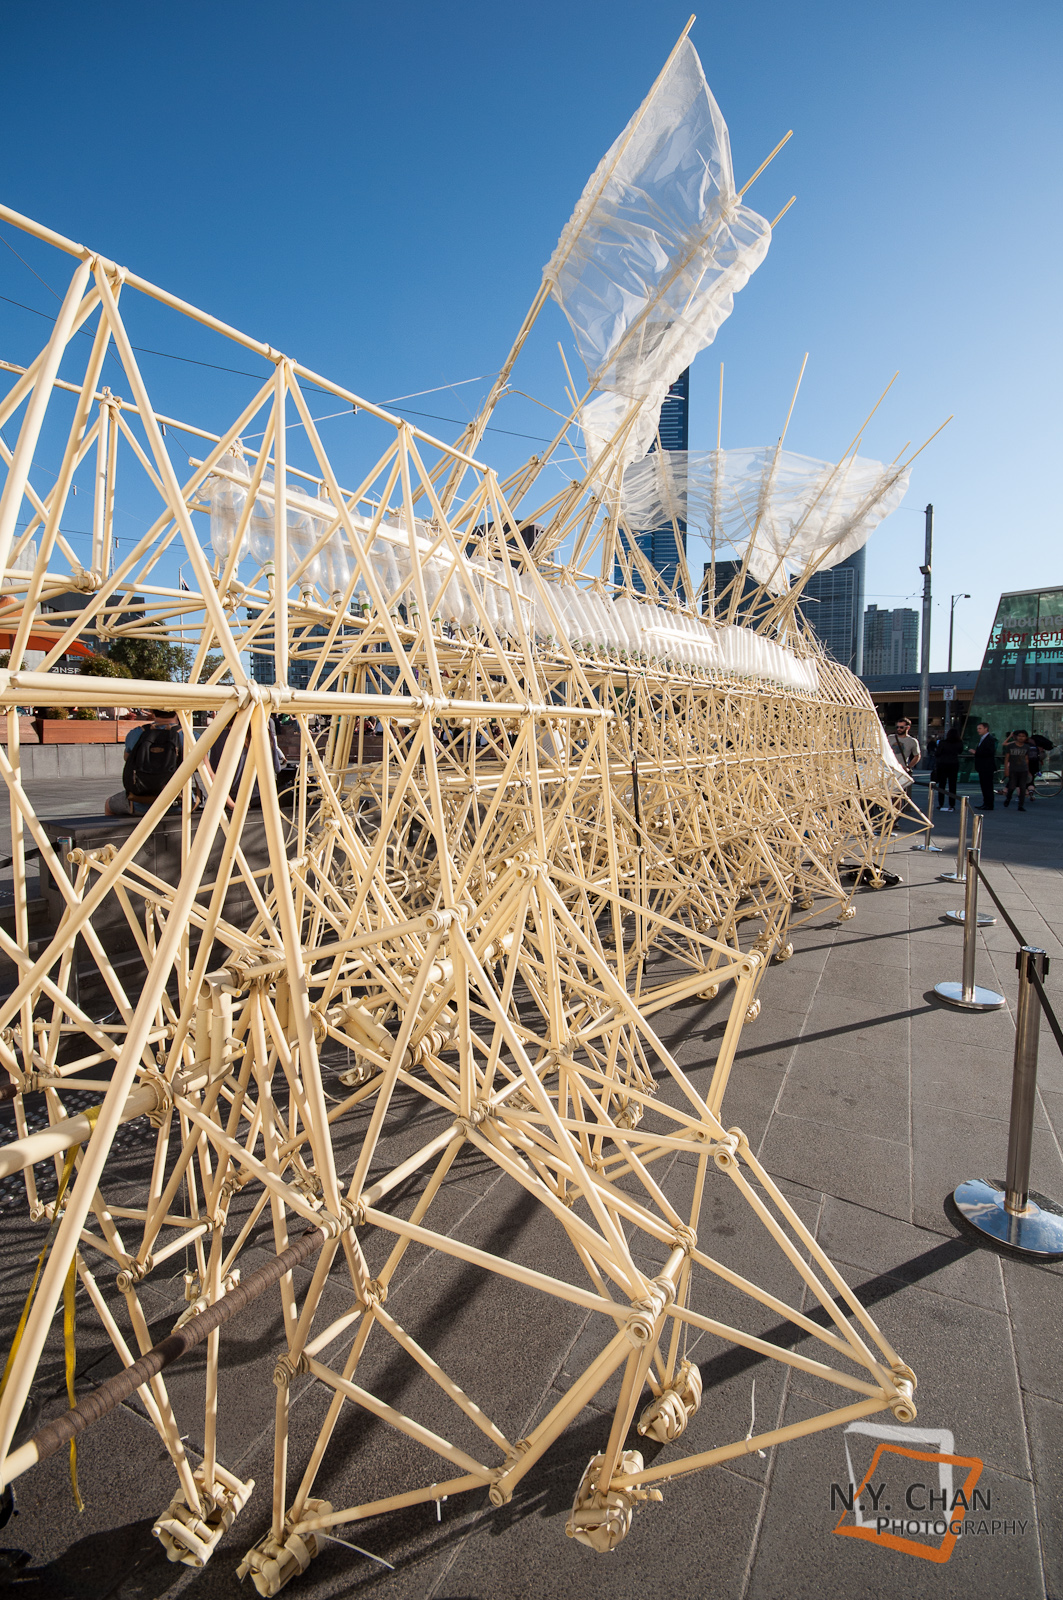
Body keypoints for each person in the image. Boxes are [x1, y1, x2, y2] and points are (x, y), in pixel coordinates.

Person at [105, 710, 189, 817]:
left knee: (109, 804)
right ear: (178, 711)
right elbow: (206, 771)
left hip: (138, 802)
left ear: (152, 711)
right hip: (178, 802)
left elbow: (127, 758)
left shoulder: (136, 733)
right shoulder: (188, 735)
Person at [933, 725, 963, 811]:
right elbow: (960, 751)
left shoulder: (943, 743)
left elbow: (937, 753)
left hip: (942, 764)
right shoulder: (959, 743)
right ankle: (952, 804)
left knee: (942, 785)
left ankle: (941, 803)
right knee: (952, 785)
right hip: (954, 764)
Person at [968, 722, 997, 810]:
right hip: (983, 766)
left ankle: (989, 804)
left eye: (980, 728)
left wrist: (976, 753)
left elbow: (990, 752)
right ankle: (986, 803)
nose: (978, 730)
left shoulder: (989, 739)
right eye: (977, 729)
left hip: (987, 766)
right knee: (984, 786)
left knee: (987, 786)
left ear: (986, 729)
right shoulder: (983, 738)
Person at [1003, 729, 1032, 812]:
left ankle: (1021, 805)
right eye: (1019, 736)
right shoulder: (1011, 746)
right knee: (1012, 786)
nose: (1021, 738)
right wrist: (1006, 769)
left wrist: (1028, 770)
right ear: (1016, 737)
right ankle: (1008, 798)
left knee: (1022, 788)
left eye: (1023, 736)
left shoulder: (1027, 747)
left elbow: (1026, 759)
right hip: (1013, 769)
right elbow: (1007, 758)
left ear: (1026, 737)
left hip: (1023, 770)